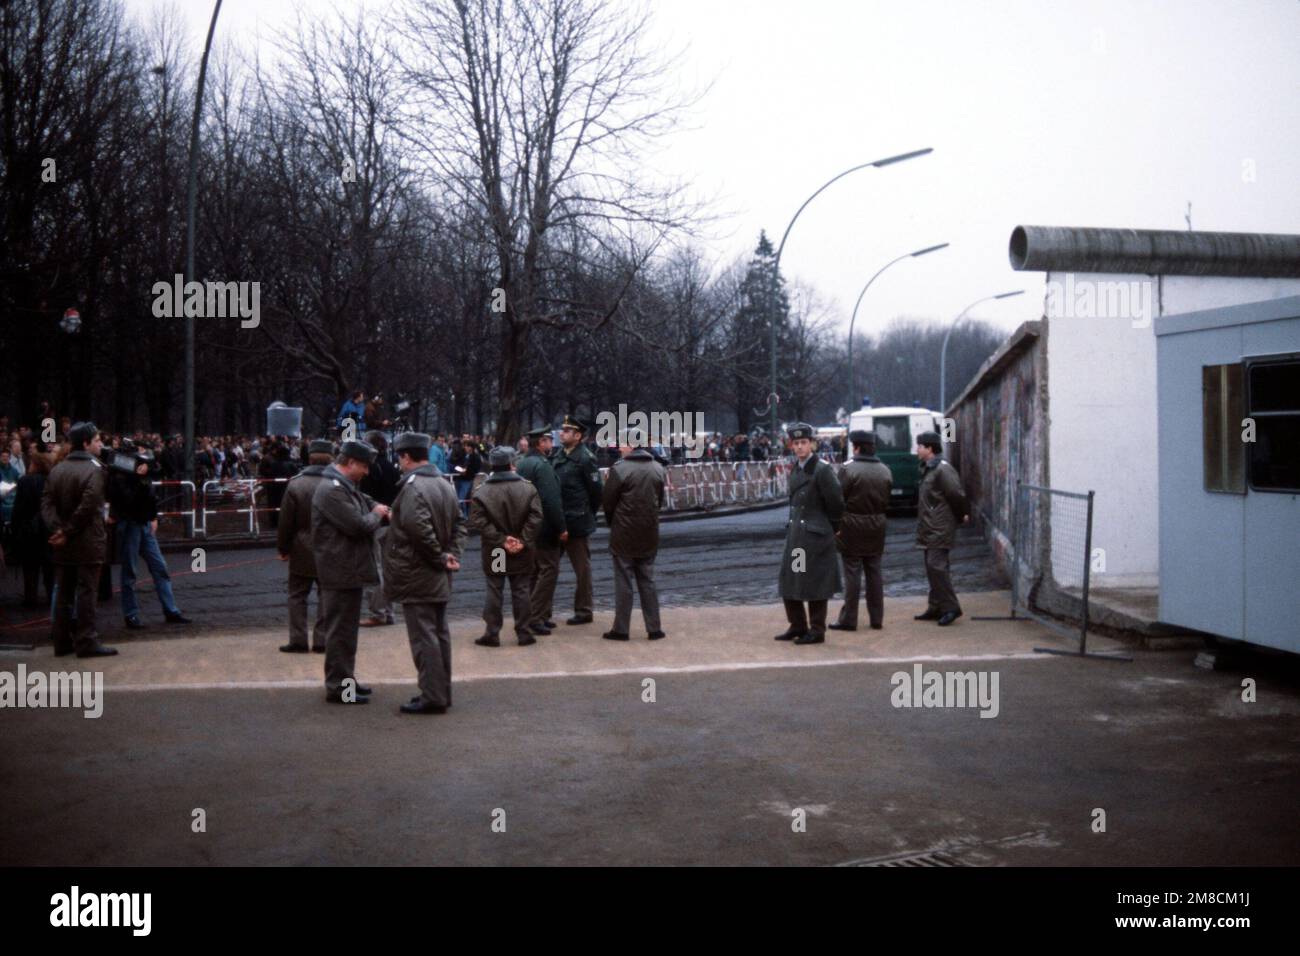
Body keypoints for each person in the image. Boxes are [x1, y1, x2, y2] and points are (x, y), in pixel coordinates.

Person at [383, 432, 467, 714]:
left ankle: (432, 696)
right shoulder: (444, 484)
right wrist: (451, 554)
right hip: (437, 574)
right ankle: (441, 692)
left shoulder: (413, 488)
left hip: (418, 573)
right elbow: (459, 525)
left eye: (400, 458)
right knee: (439, 634)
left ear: (406, 457)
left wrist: (441, 557)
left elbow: (420, 532)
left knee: (424, 638)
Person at [311, 440, 390, 704]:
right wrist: (378, 514)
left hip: (346, 570)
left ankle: (346, 681)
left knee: (346, 633)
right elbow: (357, 525)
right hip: (339, 571)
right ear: (351, 463)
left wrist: (377, 508)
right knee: (339, 633)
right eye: (364, 466)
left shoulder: (344, 487)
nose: (367, 472)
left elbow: (365, 502)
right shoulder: (332, 490)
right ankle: (338, 687)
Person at [40, 422, 117, 657]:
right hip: (87, 541)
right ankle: (86, 640)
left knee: (63, 592)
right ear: (85, 443)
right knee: (86, 592)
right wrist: (69, 530)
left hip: (64, 543)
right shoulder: (95, 470)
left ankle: (61, 642)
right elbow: (89, 505)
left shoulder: (57, 469)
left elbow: (46, 502)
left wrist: (57, 530)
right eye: (96, 440)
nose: (100, 444)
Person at [775, 422, 845, 646]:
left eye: (803, 442)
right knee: (791, 579)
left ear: (812, 444)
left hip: (815, 537)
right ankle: (797, 625)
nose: (799, 447)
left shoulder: (822, 470)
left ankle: (816, 629)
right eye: (796, 443)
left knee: (815, 583)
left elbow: (836, 503)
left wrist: (833, 528)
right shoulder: (797, 468)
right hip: (798, 537)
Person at [109, 448, 191, 629]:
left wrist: (153, 516)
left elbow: (150, 497)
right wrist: (138, 480)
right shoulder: (121, 477)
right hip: (131, 524)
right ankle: (132, 614)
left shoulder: (130, 476)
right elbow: (128, 500)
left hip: (142, 523)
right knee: (131, 571)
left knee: (158, 567)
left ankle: (170, 609)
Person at [469, 447, 542, 647]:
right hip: (522, 549)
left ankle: (492, 633)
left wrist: (502, 540)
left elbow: (478, 521)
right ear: (512, 465)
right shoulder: (528, 488)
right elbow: (536, 517)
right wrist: (522, 540)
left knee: (495, 589)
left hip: (498, 550)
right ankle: (524, 632)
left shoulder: (481, 491)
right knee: (521, 589)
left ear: (492, 465)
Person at [601, 439, 666, 641]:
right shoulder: (657, 468)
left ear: (631, 446)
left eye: (622, 444)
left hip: (624, 531)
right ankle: (654, 628)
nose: (620, 448)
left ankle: (621, 629)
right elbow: (660, 500)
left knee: (623, 581)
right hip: (649, 530)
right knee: (647, 579)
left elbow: (608, 502)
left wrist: (614, 523)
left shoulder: (619, 469)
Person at [275, 439, 335, 653]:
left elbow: (285, 522)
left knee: (297, 595)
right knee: (327, 595)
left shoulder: (296, 484)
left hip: (301, 547)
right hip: (330, 549)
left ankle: (298, 639)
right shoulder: (338, 484)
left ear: (309, 458)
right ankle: (323, 640)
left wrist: (283, 548)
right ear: (331, 458)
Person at [829, 430, 892, 632]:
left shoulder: (848, 469)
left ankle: (849, 618)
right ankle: (876, 618)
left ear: (855, 447)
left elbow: (838, 499)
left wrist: (836, 525)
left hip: (852, 524)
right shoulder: (885, 470)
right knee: (874, 572)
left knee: (852, 572)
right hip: (877, 523)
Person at [914, 431, 970, 627]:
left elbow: (956, 493)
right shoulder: (930, 468)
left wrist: (962, 513)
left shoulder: (942, 469)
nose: (917, 449)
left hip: (940, 525)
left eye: (919, 446)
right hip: (931, 525)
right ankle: (936, 605)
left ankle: (950, 607)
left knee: (937, 567)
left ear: (929, 448)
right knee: (932, 567)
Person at [550, 415, 602, 625]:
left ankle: (584, 610)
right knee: (549, 567)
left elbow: (596, 491)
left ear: (578, 436)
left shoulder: (586, 458)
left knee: (582, 570)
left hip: (576, 522)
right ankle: (543, 612)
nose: (562, 433)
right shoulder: (560, 454)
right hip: (558, 520)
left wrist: (586, 512)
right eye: (562, 429)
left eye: (567, 430)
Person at [516, 425, 565, 635]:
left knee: (534, 572)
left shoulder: (523, 463)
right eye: (548, 440)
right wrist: (561, 527)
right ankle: (535, 617)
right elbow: (551, 500)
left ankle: (538, 615)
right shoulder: (542, 466)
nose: (551, 443)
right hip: (544, 526)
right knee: (549, 570)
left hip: (528, 525)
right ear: (541, 443)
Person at [359, 431, 399, 627]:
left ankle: (378, 613)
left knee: (376, 570)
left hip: (376, 523)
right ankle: (389, 612)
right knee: (389, 569)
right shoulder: (392, 468)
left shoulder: (370, 469)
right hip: (391, 523)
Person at [10, 450, 55, 608]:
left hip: (29, 528)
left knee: (30, 566)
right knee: (49, 567)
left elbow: (18, 508)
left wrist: (15, 527)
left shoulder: (24, 481)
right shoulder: (51, 480)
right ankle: (52, 597)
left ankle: (30, 598)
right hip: (48, 527)